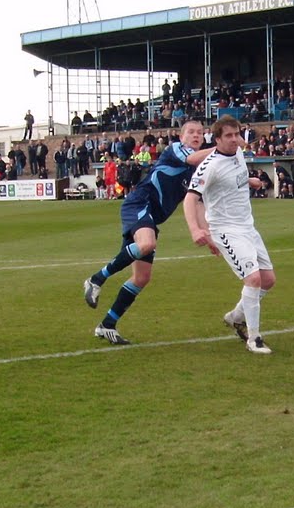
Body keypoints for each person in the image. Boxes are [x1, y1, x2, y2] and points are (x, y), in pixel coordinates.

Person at [84, 120, 213, 345]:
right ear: (182, 136)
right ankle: (96, 280)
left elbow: (197, 203)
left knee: (142, 277)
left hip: (150, 217)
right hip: (139, 204)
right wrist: (221, 148)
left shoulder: (197, 171)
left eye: (200, 133)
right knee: (147, 244)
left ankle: (107, 325)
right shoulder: (176, 150)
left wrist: (207, 235)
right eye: (191, 132)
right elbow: (192, 157)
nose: (196, 136)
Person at [184, 115, 274, 354]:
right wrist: (196, 229)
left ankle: (235, 316)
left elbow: (235, 177)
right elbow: (190, 198)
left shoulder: (237, 153)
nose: (235, 140)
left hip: (247, 226)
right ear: (216, 139)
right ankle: (254, 338)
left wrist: (250, 180)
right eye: (229, 136)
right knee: (253, 279)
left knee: (268, 280)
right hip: (225, 229)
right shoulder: (210, 165)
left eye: (237, 134)